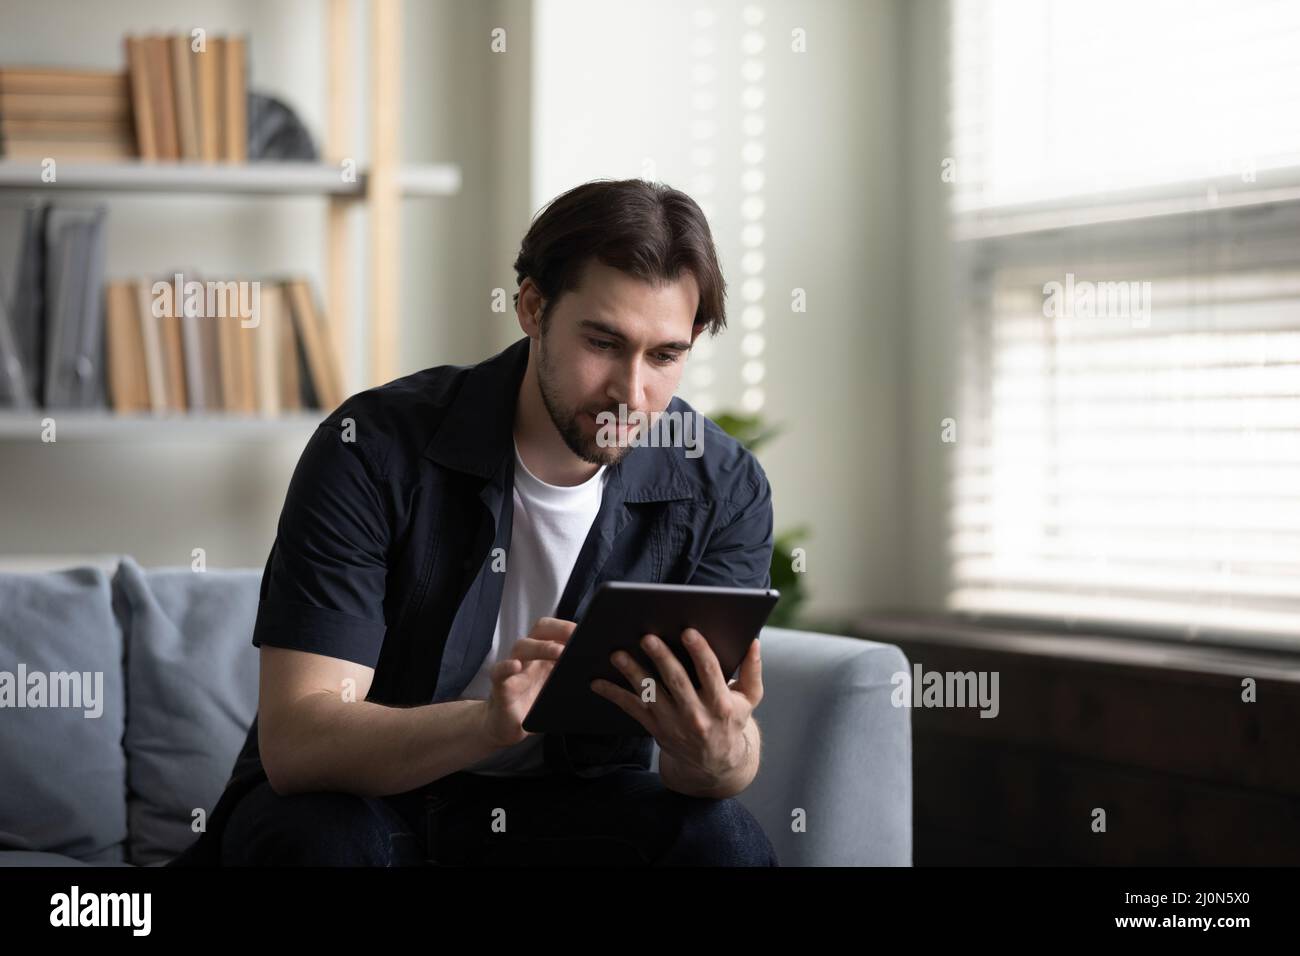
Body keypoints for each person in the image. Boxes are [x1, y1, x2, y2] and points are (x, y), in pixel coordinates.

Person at [169, 178, 778, 867]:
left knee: (724, 841)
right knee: (322, 845)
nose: (631, 392)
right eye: (604, 342)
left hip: (566, 811)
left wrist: (723, 753)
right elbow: (299, 742)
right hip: (366, 801)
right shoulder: (371, 450)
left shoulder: (723, 490)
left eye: (665, 355)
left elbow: (701, 771)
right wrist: (486, 725)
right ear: (532, 308)